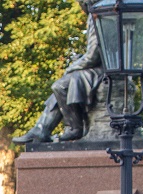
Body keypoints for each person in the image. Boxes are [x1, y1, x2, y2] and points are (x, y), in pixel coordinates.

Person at [12, 0, 103, 145]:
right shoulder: (99, 14)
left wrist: (71, 67)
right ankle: (41, 129)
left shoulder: (99, 16)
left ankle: (74, 127)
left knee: (61, 86)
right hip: (101, 67)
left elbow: (93, 55)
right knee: (61, 87)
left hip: (103, 71)